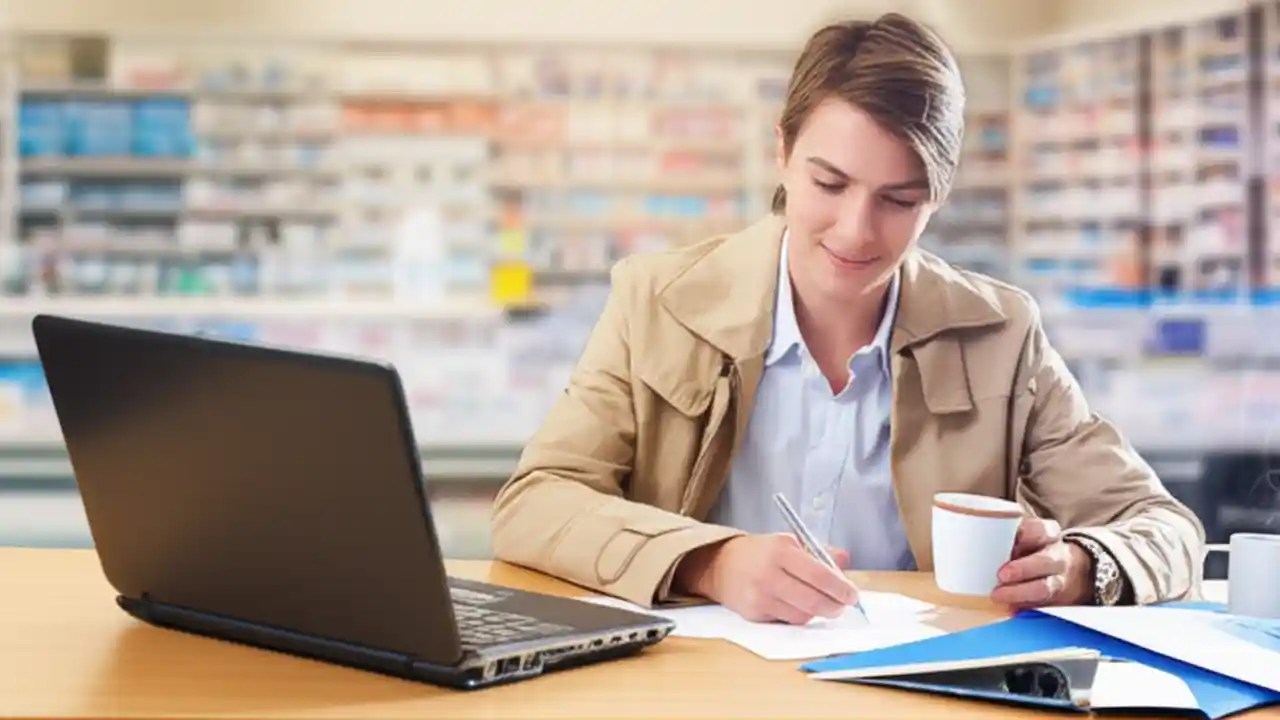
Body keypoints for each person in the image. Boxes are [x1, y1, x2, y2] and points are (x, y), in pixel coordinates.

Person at [490, 12, 1206, 624]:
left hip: (918, 692)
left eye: (898, 200)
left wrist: (1084, 568)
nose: (857, 231)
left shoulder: (1002, 335)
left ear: (940, 196)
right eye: (829, 183)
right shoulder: (656, 301)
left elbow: (1167, 530)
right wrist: (708, 562)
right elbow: (535, 503)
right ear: (782, 153)